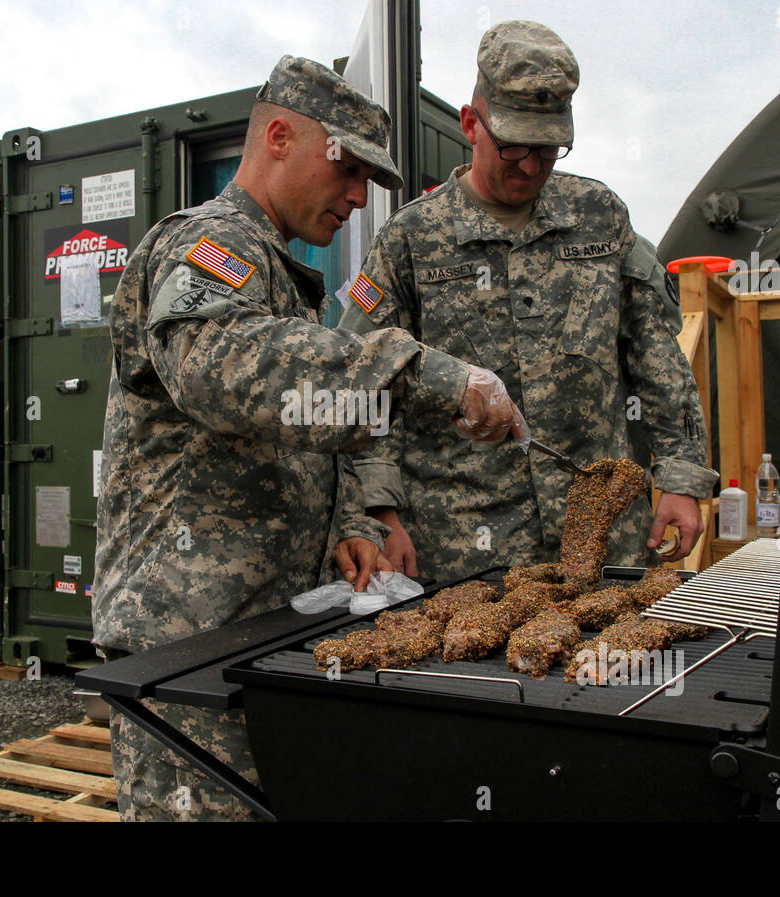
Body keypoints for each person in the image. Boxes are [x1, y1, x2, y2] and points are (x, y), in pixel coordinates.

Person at [92, 55, 525, 821]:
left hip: (258, 639)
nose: (359, 199)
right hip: (188, 651)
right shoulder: (205, 246)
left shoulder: (282, 274)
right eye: (350, 170)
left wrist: (350, 524)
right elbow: (228, 370)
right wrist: (429, 376)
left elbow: (297, 427)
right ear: (282, 137)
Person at [338, 21, 719, 581]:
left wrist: (682, 478)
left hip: (601, 538)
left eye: (548, 149)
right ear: (472, 123)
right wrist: (381, 511)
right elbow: (364, 377)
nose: (531, 166)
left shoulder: (600, 216)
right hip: (466, 550)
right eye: (513, 145)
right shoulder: (410, 239)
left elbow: (657, 356)